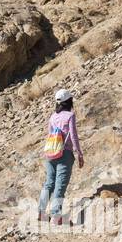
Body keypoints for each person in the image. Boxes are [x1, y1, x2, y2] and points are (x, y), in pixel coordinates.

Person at [39, 88, 85, 226]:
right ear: (69, 101)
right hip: (65, 153)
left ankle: (41, 212)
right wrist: (79, 153)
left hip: (51, 153)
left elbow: (49, 135)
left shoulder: (53, 117)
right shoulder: (70, 116)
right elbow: (73, 135)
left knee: (49, 183)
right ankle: (56, 216)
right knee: (60, 185)